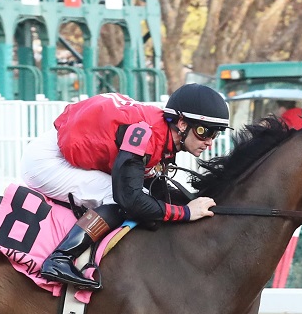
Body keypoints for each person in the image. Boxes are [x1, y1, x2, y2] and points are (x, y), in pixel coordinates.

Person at [20, 83, 229, 290]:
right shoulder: (146, 136)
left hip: (59, 148)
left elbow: (154, 192)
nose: (210, 142)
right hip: (46, 162)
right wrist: (184, 213)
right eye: (205, 132)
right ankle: (60, 258)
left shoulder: (162, 134)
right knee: (116, 198)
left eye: (215, 134)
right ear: (182, 124)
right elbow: (129, 199)